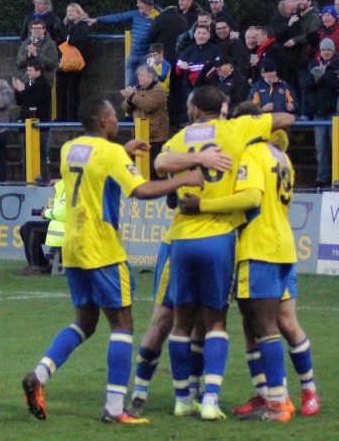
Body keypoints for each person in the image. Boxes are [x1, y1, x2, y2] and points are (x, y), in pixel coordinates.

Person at [20, 96, 203, 425]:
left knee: (85, 323)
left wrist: (124, 153)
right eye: (114, 116)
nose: (118, 120)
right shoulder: (111, 153)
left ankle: (40, 374)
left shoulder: (70, 149)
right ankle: (115, 408)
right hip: (103, 248)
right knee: (122, 326)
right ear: (103, 121)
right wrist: (182, 180)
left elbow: (96, 172)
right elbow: (141, 190)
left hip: (73, 248)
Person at [127, 87, 294, 421]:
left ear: (193, 110)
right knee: (213, 321)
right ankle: (207, 400)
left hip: (180, 239)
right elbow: (287, 118)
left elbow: (159, 162)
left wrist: (195, 159)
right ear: (222, 109)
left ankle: (179, 396)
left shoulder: (182, 137)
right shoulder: (236, 130)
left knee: (174, 321)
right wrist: (259, 128)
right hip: (219, 237)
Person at [223, 106, 321, 419]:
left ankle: (280, 399)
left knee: (267, 325)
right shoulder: (281, 156)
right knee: (260, 323)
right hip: (283, 246)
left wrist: (207, 205)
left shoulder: (252, 155)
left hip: (260, 247)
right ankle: (277, 393)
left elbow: (251, 199)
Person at [89, 0, 161, 86]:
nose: (137, 5)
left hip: (146, 56)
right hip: (133, 55)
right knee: (129, 85)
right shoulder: (135, 14)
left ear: (147, 4)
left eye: (139, 3)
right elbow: (118, 17)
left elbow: (163, 34)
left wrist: (158, 51)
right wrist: (98, 19)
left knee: (145, 84)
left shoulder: (158, 16)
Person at [303, 39, 339, 186]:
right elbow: (307, 86)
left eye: (328, 50)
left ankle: (338, 177)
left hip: (333, 112)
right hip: (318, 112)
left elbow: (336, 84)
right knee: (320, 147)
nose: (326, 52)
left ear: (333, 51)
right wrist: (316, 78)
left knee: (336, 146)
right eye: (323, 50)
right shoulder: (313, 65)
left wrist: (322, 76)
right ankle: (322, 177)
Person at [120, 65, 169, 170]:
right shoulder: (137, 90)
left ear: (151, 77)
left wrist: (132, 96)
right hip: (140, 135)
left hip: (156, 137)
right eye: (138, 75)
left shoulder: (159, 90)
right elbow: (125, 108)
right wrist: (129, 100)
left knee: (154, 169)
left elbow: (149, 106)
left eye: (142, 75)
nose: (139, 78)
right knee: (139, 168)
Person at [13, 59, 52, 179]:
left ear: (38, 71)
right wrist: (17, 90)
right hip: (27, 126)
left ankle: (43, 182)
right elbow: (20, 102)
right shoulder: (30, 84)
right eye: (27, 70)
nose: (28, 72)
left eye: (30, 70)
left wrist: (22, 91)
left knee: (41, 157)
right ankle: (27, 180)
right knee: (26, 156)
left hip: (40, 127)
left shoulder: (43, 85)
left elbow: (33, 101)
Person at [56, 3, 92, 123]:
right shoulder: (64, 25)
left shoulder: (82, 25)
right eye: (68, 11)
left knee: (73, 92)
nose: (70, 13)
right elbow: (58, 40)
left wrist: (66, 38)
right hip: (63, 62)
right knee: (60, 91)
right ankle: (61, 117)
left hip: (75, 63)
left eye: (72, 11)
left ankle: (72, 117)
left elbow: (74, 40)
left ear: (79, 12)